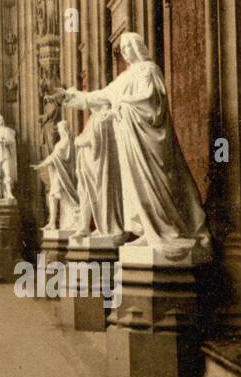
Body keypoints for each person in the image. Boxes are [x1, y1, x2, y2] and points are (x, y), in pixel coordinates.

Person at [63, 32, 206, 252]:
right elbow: (100, 96)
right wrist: (68, 96)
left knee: (154, 182)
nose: (125, 52)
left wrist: (119, 108)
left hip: (149, 142)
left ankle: (163, 229)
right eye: (122, 49)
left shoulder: (150, 70)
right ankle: (147, 231)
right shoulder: (125, 77)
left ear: (138, 47)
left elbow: (153, 104)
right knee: (133, 185)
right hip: (130, 141)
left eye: (128, 47)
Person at [33, 119, 80, 230]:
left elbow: (55, 157)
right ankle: (53, 222)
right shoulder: (64, 141)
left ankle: (53, 222)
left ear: (64, 129)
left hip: (62, 174)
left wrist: (41, 165)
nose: (58, 130)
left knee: (54, 195)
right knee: (55, 196)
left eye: (60, 128)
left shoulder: (66, 141)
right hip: (59, 173)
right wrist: (43, 164)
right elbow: (54, 156)